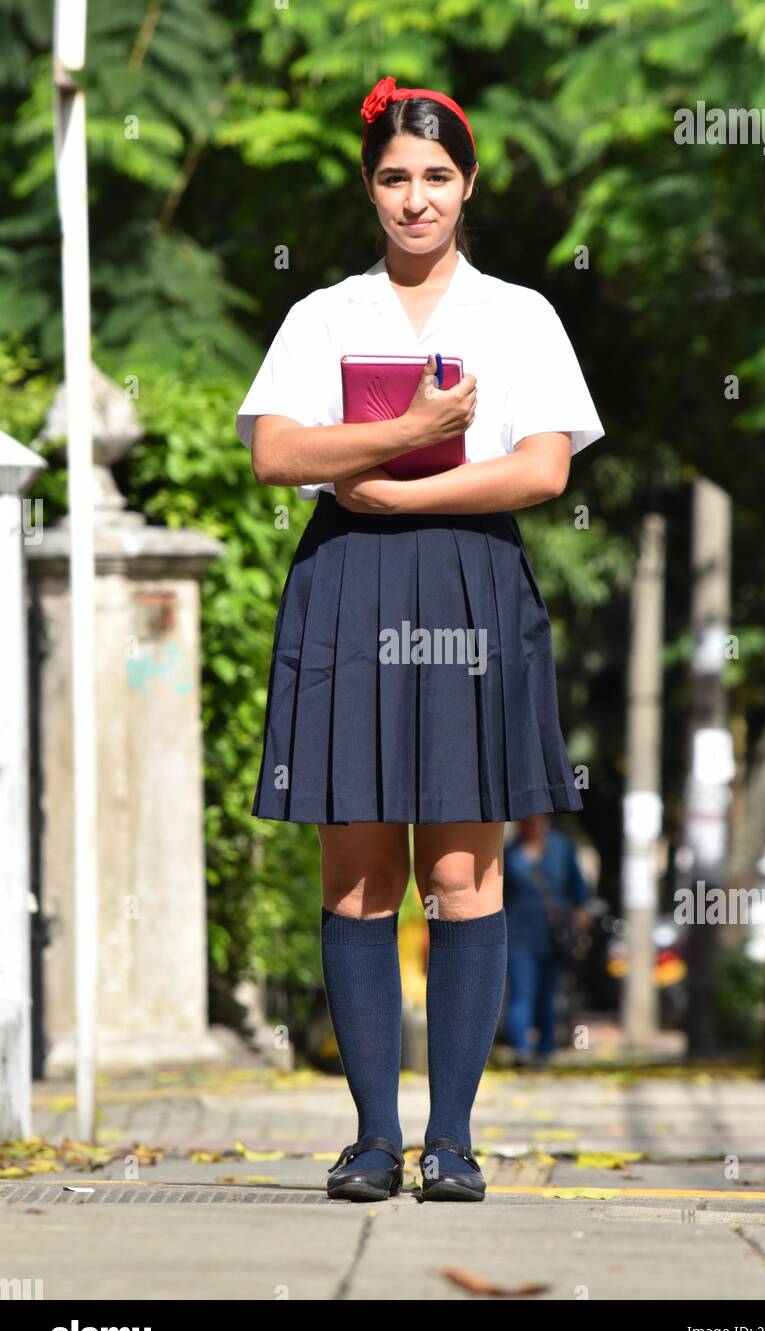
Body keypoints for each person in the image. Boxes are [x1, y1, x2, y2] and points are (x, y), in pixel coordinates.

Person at [235, 75, 604, 1203]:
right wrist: (406, 434)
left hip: (466, 580)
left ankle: (450, 1140)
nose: (414, 198)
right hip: (345, 583)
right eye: (394, 177)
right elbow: (275, 455)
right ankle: (369, 1139)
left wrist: (398, 489)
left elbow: (543, 466)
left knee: (461, 868)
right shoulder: (324, 315)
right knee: (356, 872)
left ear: (468, 184)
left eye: (435, 176)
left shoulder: (519, 315)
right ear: (369, 188)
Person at [503, 815, 592, 1065]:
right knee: (522, 993)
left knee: (549, 994)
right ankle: (521, 1049)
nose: (532, 825)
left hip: (554, 936)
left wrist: (580, 921)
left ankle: (545, 1050)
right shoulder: (509, 853)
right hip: (518, 934)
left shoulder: (561, 848)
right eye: (526, 821)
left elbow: (578, 889)